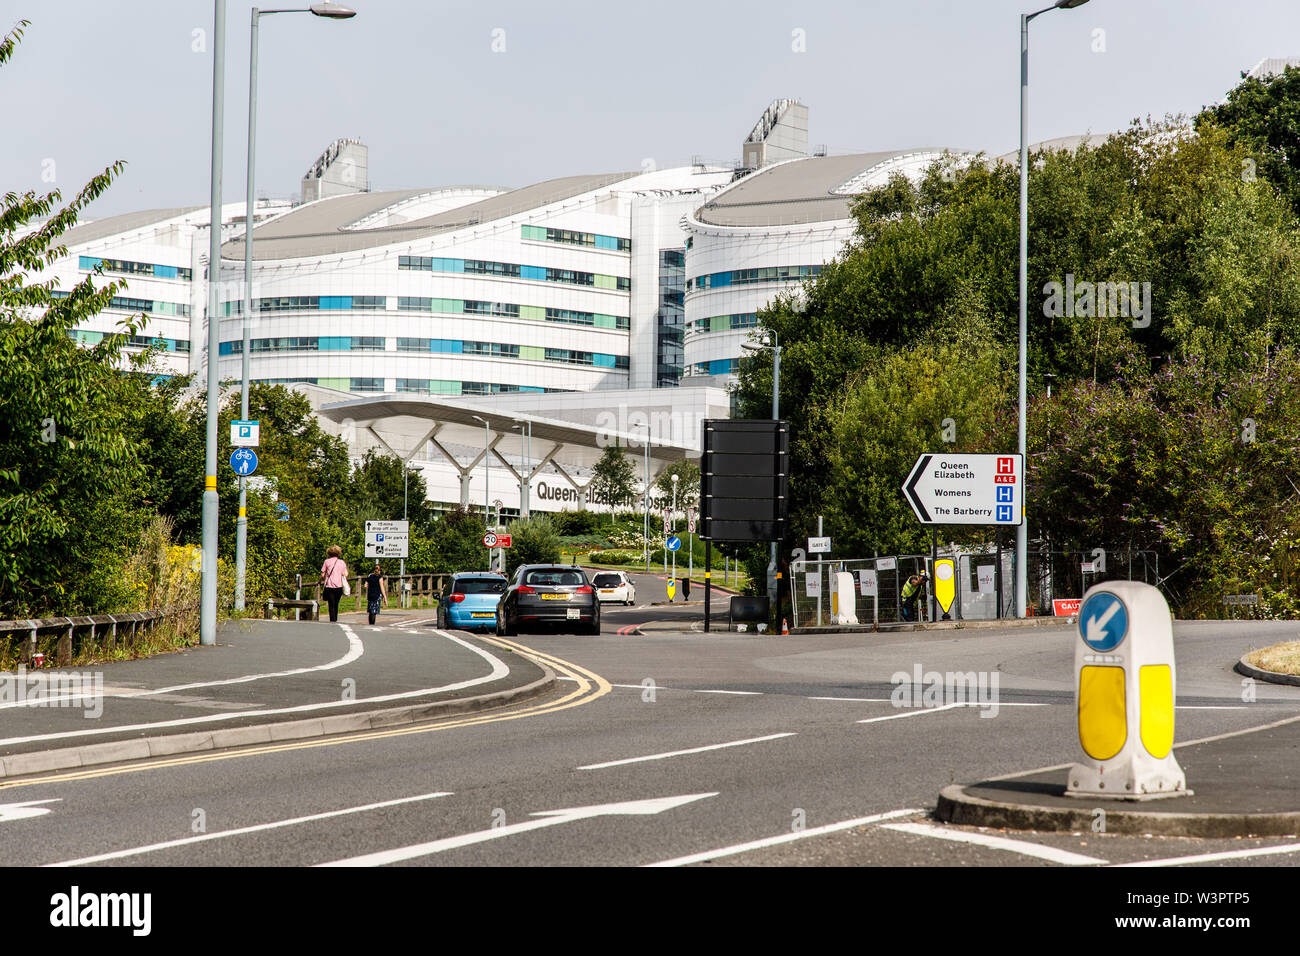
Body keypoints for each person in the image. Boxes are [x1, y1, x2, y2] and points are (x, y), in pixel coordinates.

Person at [319, 545, 349, 623]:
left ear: (329, 553)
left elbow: (322, 574)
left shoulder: (326, 561)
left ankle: (332, 620)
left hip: (329, 586)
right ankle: (335, 618)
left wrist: (319, 581)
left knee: (331, 604)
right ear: (338, 553)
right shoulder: (341, 562)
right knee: (336, 603)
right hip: (339, 586)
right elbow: (346, 574)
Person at [366, 561, 388, 625]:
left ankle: (370, 623)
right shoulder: (380, 578)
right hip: (377, 595)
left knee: (370, 611)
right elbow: (382, 587)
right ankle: (372, 624)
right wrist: (385, 597)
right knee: (374, 611)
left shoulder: (370, 576)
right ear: (380, 570)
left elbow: (366, 584)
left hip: (370, 595)